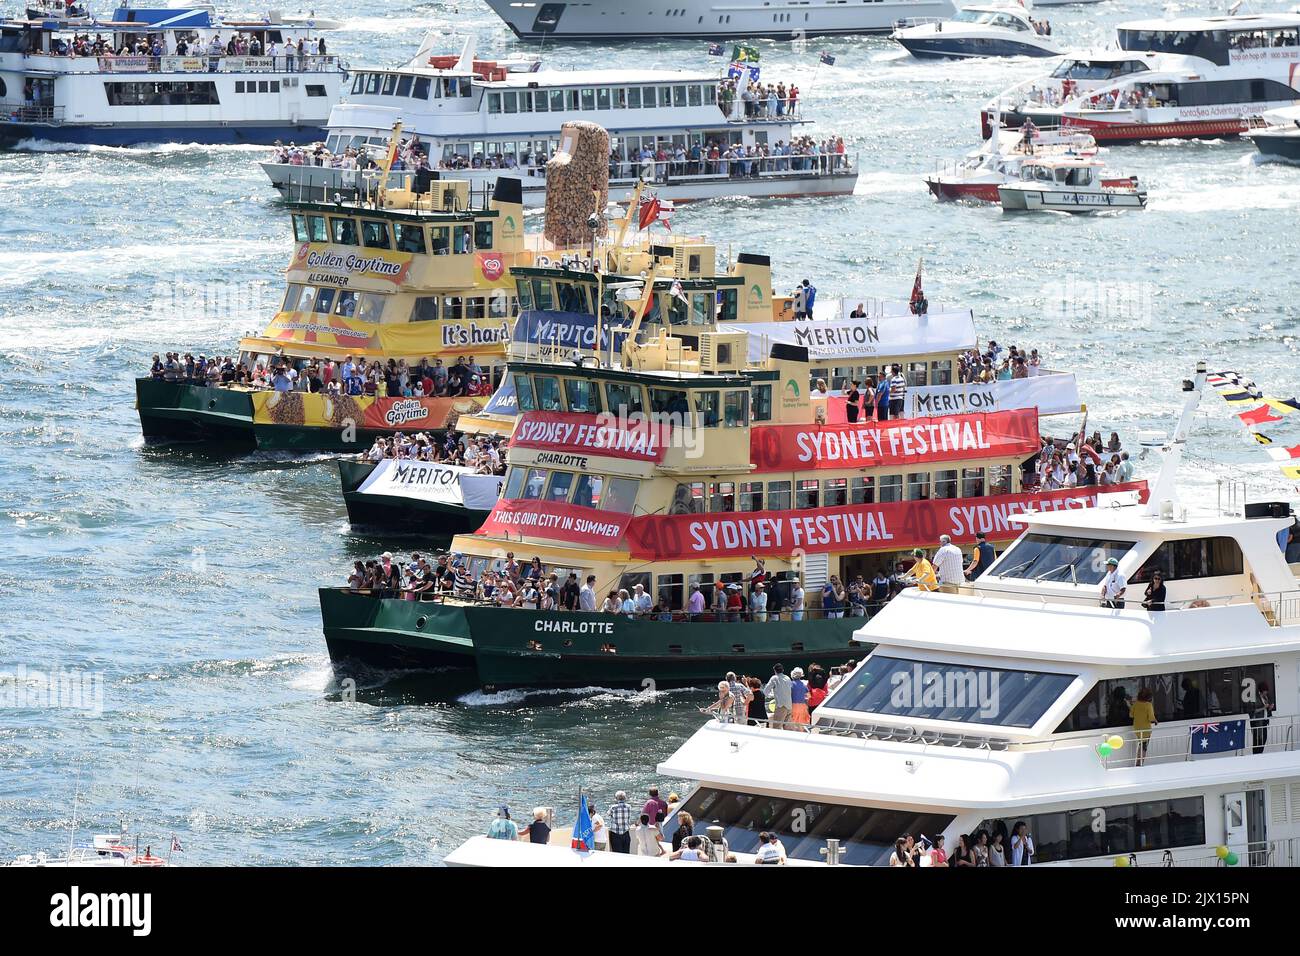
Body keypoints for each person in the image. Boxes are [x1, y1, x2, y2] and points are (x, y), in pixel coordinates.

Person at [1130, 686, 1156, 766]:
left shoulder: (1135, 704)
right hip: (1146, 729)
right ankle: (1140, 764)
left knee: (1141, 744)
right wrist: (1155, 721)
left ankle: (1138, 762)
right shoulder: (1148, 705)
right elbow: (1151, 718)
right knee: (1144, 747)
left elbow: (1131, 715)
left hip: (1137, 727)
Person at [765, 663, 793, 729]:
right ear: (783, 670)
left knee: (776, 728)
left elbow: (766, 691)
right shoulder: (788, 678)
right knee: (786, 727)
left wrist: (770, 696)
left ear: (775, 671)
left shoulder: (774, 678)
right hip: (789, 705)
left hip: (781, 706)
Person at [1251, 682, 1275, 755]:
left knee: (1264, 739)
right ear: (1262, 690)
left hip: (1264, 720)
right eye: (1265, 690)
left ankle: (1260, 754)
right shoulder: (1255, 698)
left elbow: (1266, 709)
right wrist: (1263, 707)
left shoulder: (1265, 698)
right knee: (1257, 740)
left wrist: (1270, 708)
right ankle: (1256, 755)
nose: (1266, 692)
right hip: (1258, 722)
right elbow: (1253, 710)